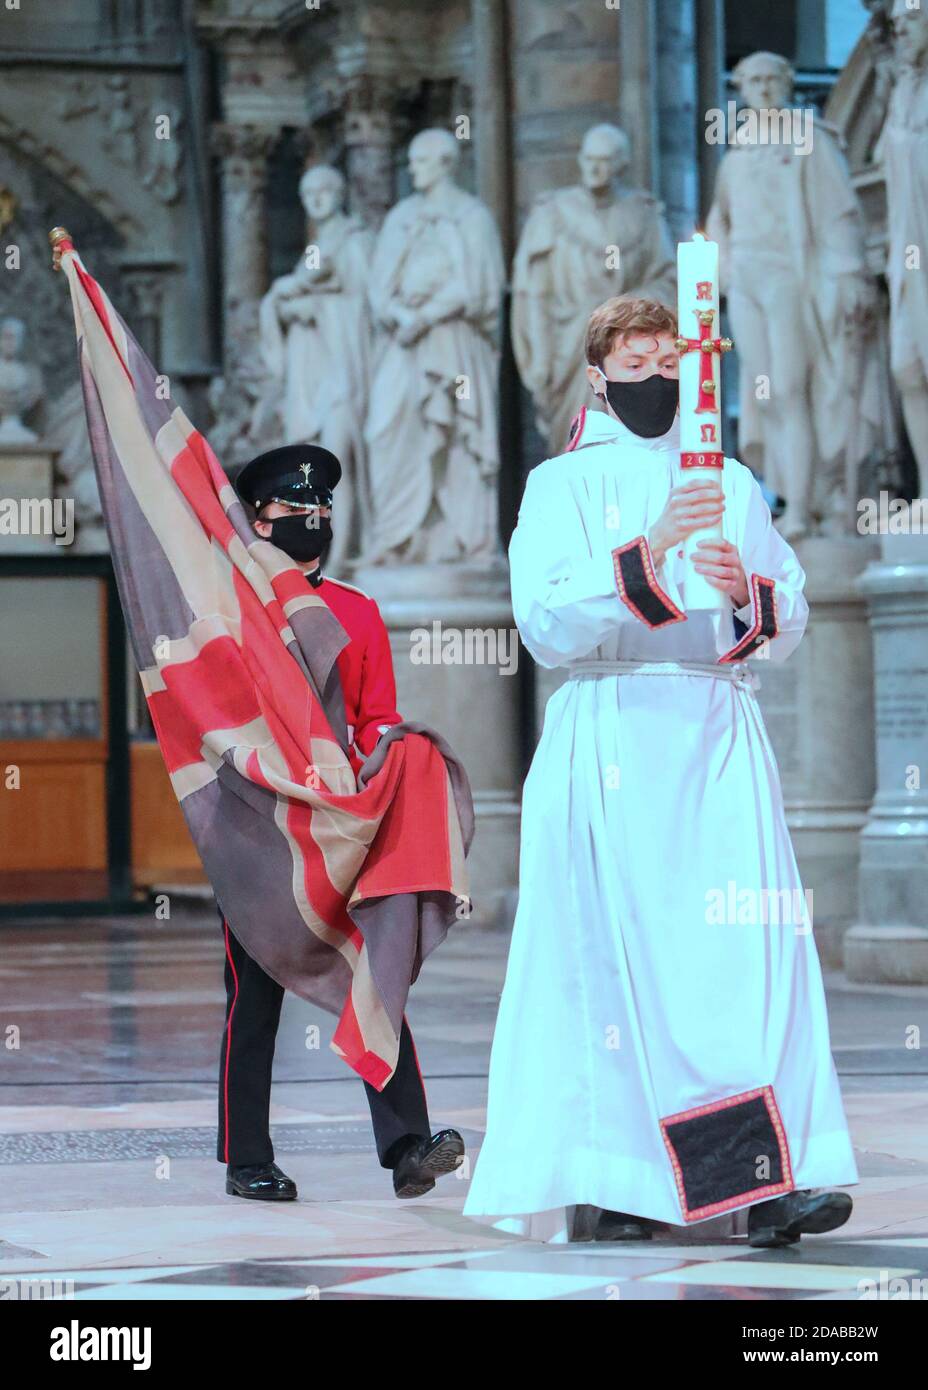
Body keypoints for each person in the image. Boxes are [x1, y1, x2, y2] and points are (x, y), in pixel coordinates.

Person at [463, 296, 858, 1248]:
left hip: (716, 732)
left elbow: (788, 613)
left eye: (667, 362)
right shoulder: (558, 486)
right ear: (598, 374)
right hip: (611, 729)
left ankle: (766, 1182)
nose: (654, 379)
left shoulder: (728, 479)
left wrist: (744, 589)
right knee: (618, 962)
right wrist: (649, 553)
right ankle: (625, 1184)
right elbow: (546, 620)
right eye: (634, 363)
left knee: (742, 962)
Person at [219, 442, 464, 1201]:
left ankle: (408, 1146)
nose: (311, 522)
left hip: (341, 824)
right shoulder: (231, 610)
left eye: (320, 511)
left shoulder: (357, 610)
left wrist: (388, 758)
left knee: (374, 971)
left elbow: (376, 716)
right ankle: (246, 1157)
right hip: (260, 827)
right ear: (257, 520)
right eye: (293, 512)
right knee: (254, 993)